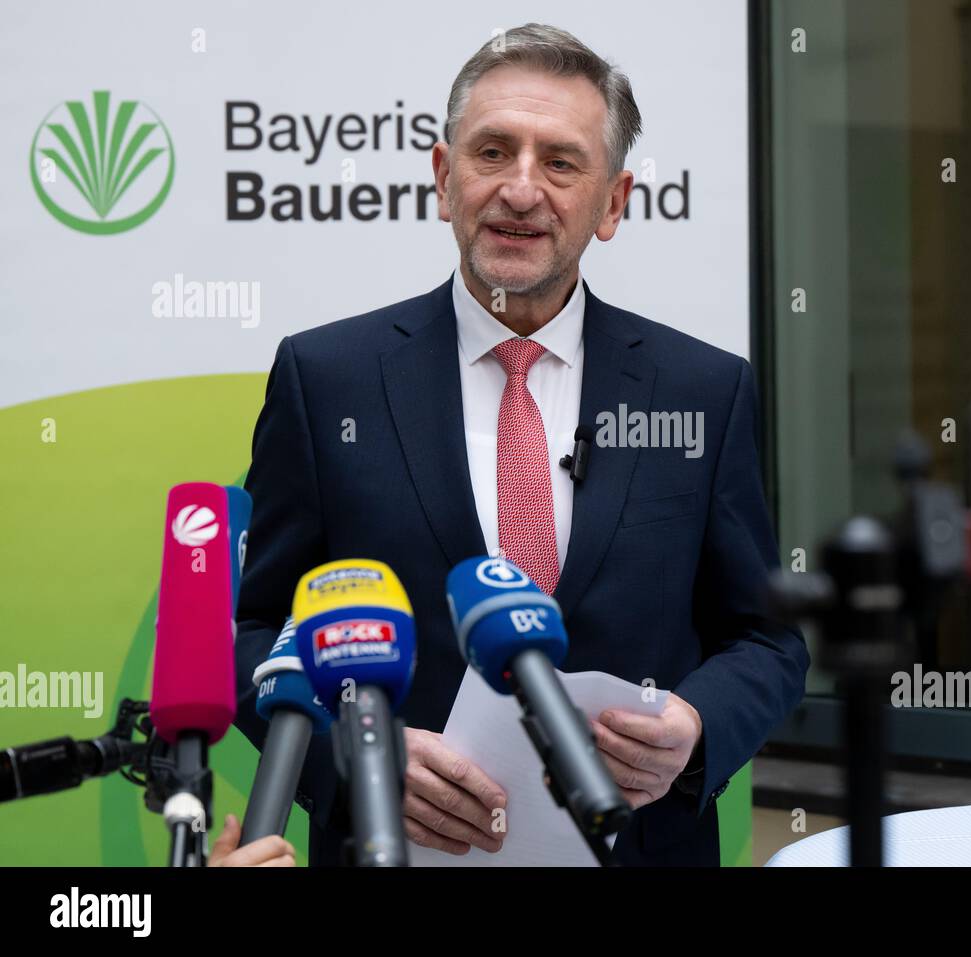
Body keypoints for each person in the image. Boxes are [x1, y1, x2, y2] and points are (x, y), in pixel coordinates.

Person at [234, 22, 808, 866]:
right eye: (492, 152)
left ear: (613, 202)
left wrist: (694, 725)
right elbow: (253, 626)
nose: (520, 189)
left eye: (561, 162)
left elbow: (766, 639)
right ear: (442, 177)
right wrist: (356, 757)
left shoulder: (702, 390)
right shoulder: (326, 378)